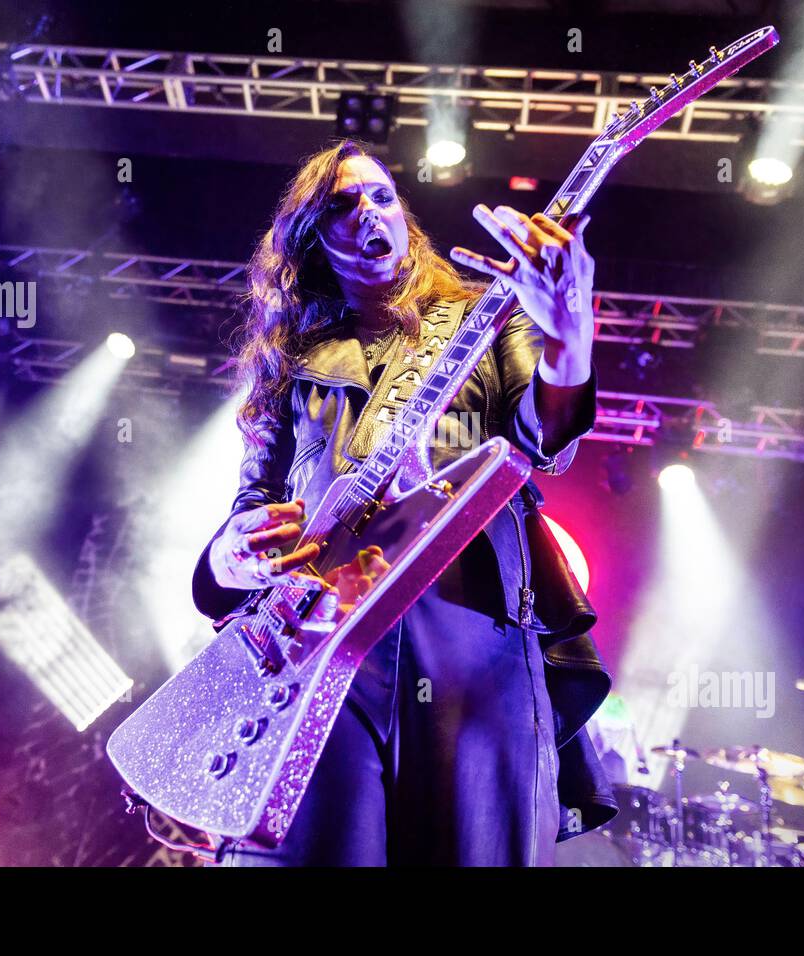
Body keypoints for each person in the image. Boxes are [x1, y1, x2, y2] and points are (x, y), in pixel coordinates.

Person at [191, 139, 617, 865]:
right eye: (342, 204)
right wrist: (231, 557)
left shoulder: (485, 321)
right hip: (318, 656)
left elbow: (544, 436)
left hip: (467, 640)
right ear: (311, 238)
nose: (368, 212)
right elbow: (249, 511)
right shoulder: (293, 366)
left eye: (383, 196)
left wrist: (569, 333)